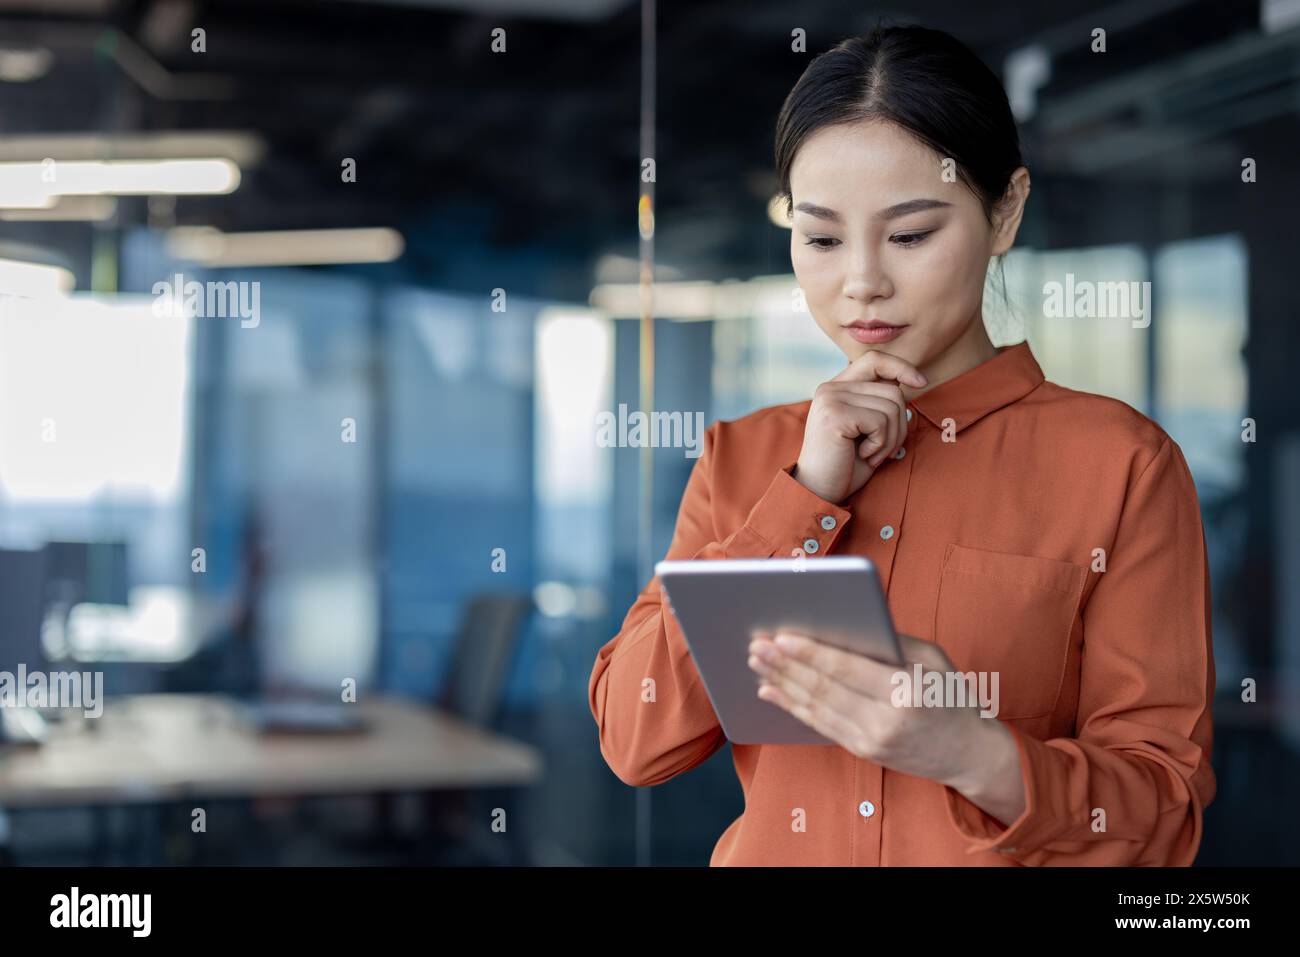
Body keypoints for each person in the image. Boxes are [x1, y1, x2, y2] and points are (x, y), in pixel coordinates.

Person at [588, 22, 1215, 865]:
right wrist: (803, 497)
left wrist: (973, 752)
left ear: (1006, 211)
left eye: (911, 234)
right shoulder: (744, 458)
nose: (861, 282)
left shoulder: (1121, 465)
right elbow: (635, 737)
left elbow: (1164, 814)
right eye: (820, 237)